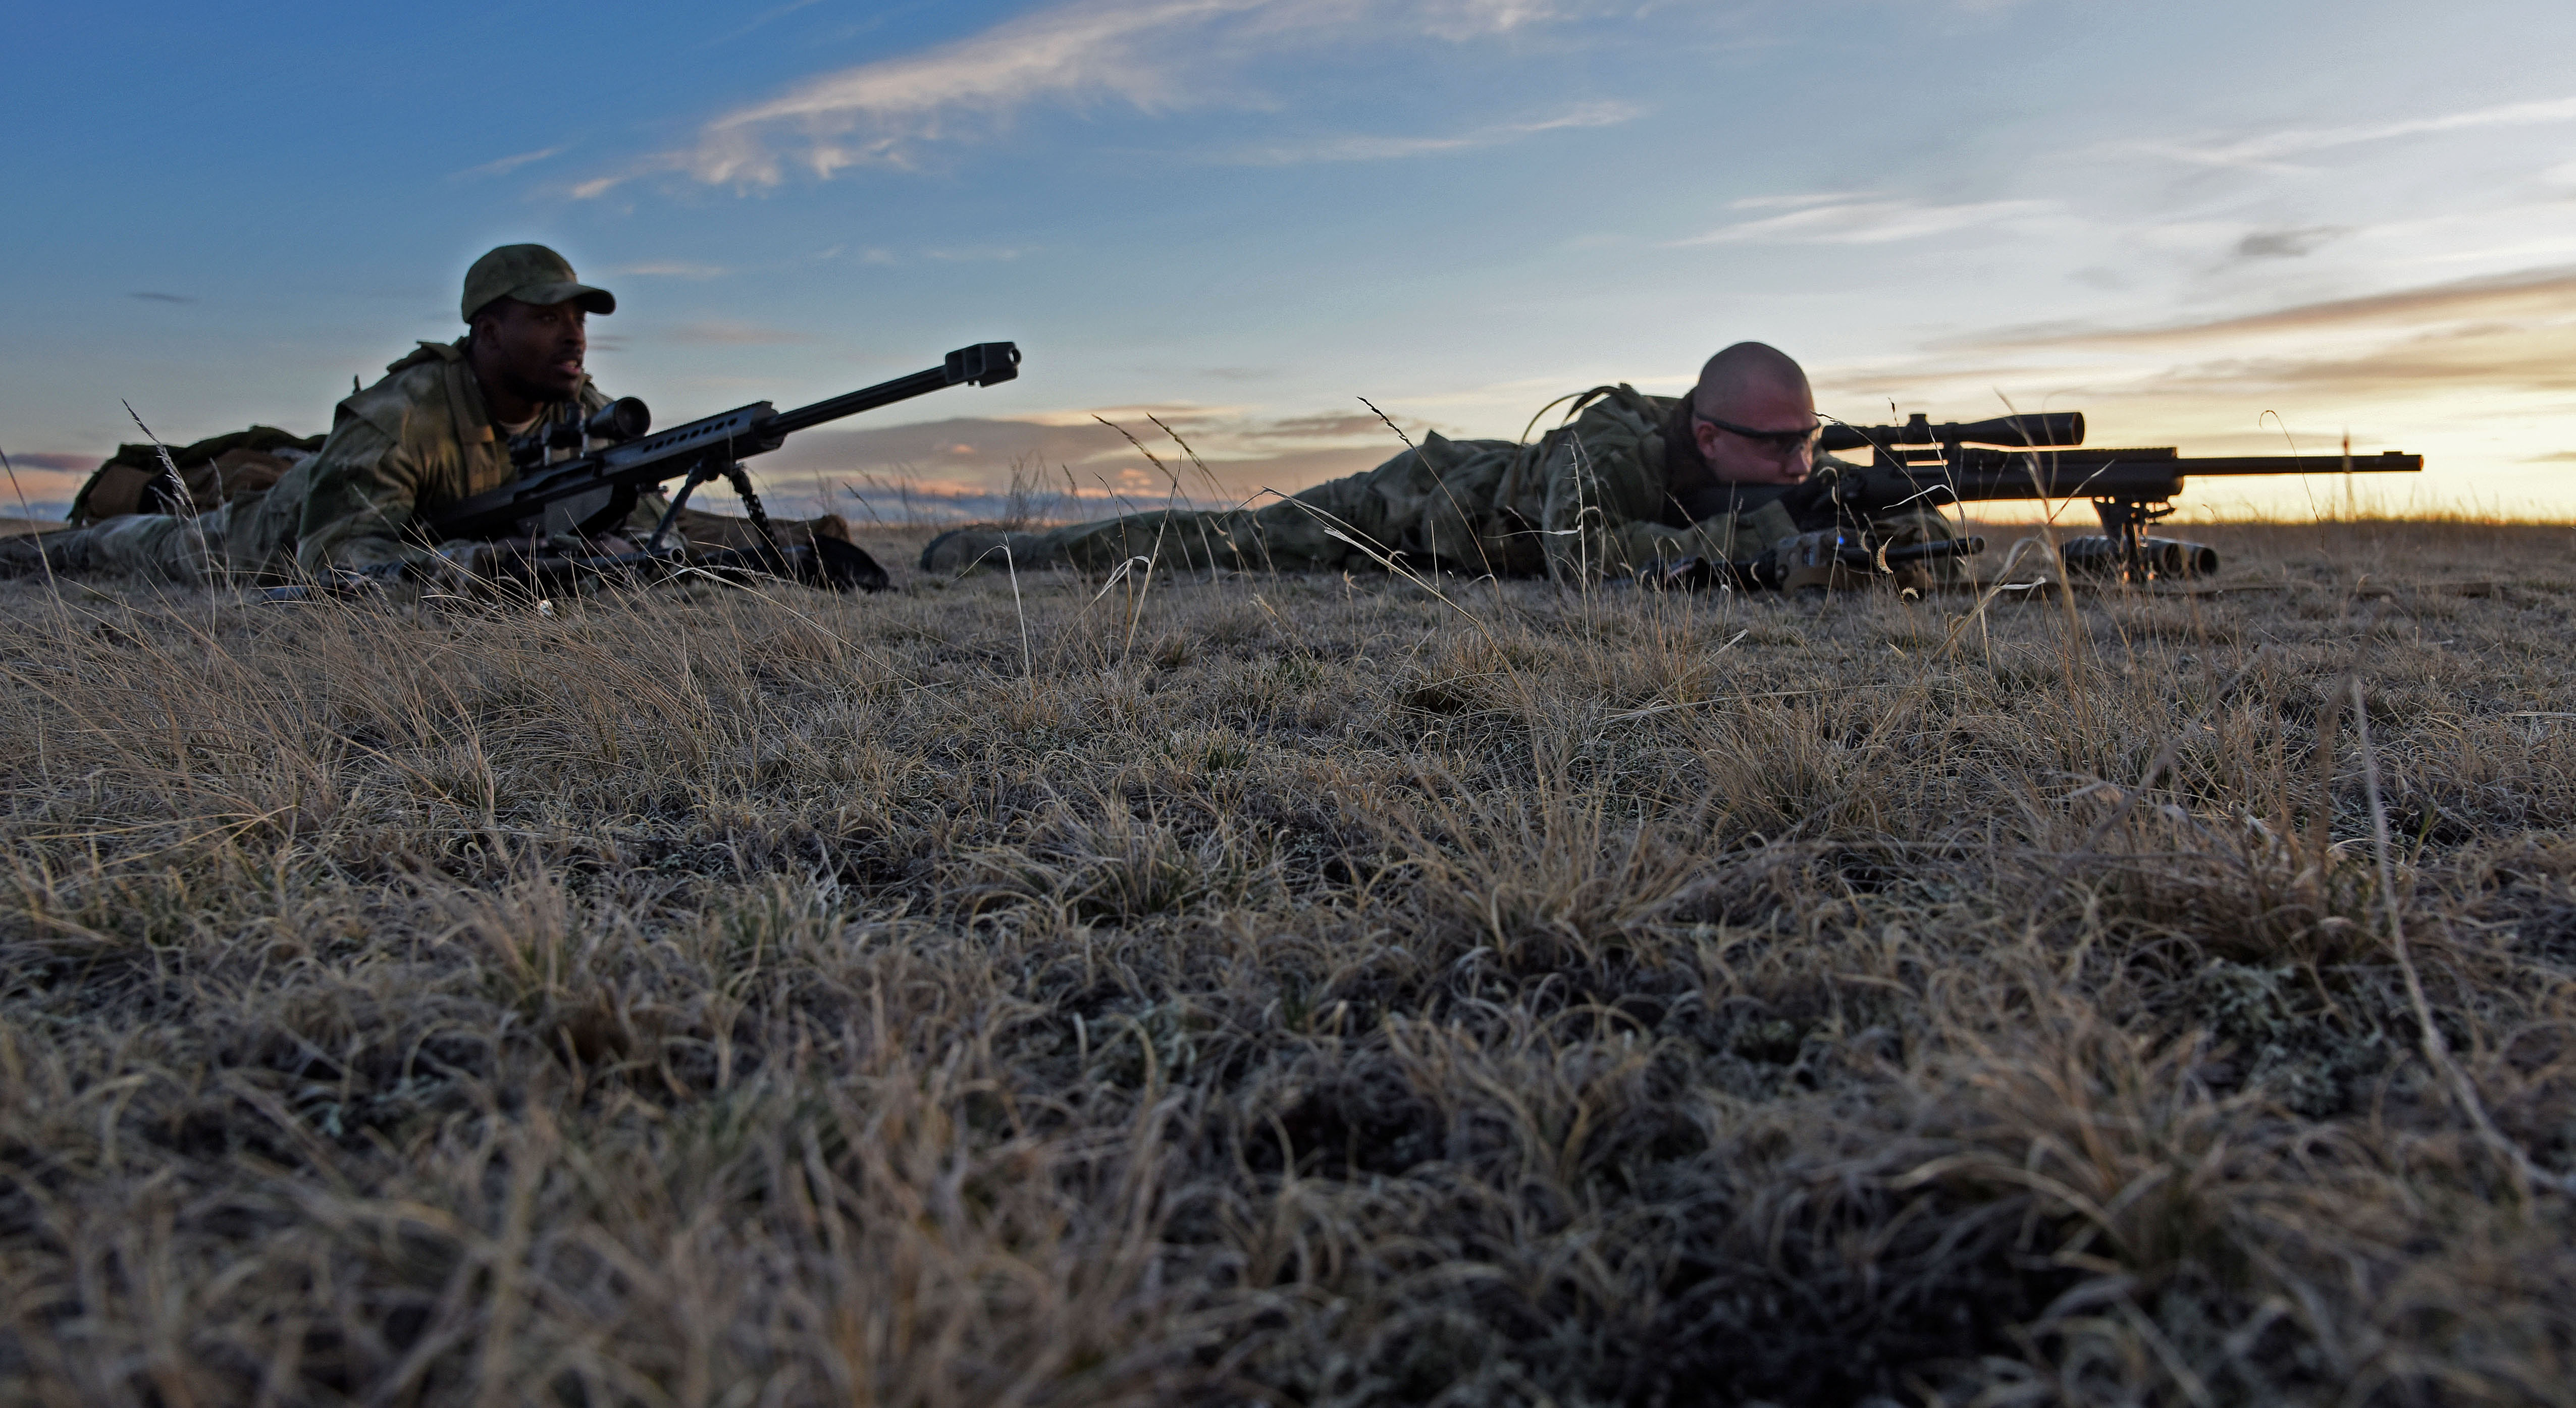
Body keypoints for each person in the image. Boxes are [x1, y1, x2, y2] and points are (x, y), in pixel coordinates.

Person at [1, 244, 854, 586]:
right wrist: (487, 571)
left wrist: (790, 546)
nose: (574, 335)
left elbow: (632, 511)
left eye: (579, 319)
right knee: (106, 548)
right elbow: (338, 562)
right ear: (488, 331)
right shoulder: (401, 414)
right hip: (275, 534)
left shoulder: (584, 411)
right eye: (547, 317)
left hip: (435, 529)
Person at [919, 342, 1955, 587]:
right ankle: (988, 553)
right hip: (1405, 507)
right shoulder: (1608, 444)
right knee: (1214, 544)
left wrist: (1893, 529)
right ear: (1713, 435)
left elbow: (1855, 524)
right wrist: (1768, 539)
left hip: (1449, 525)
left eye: (1809, 440)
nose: (1800, 461)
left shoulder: (1775, 460)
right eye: (1779, 446)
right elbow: (1585, 559)